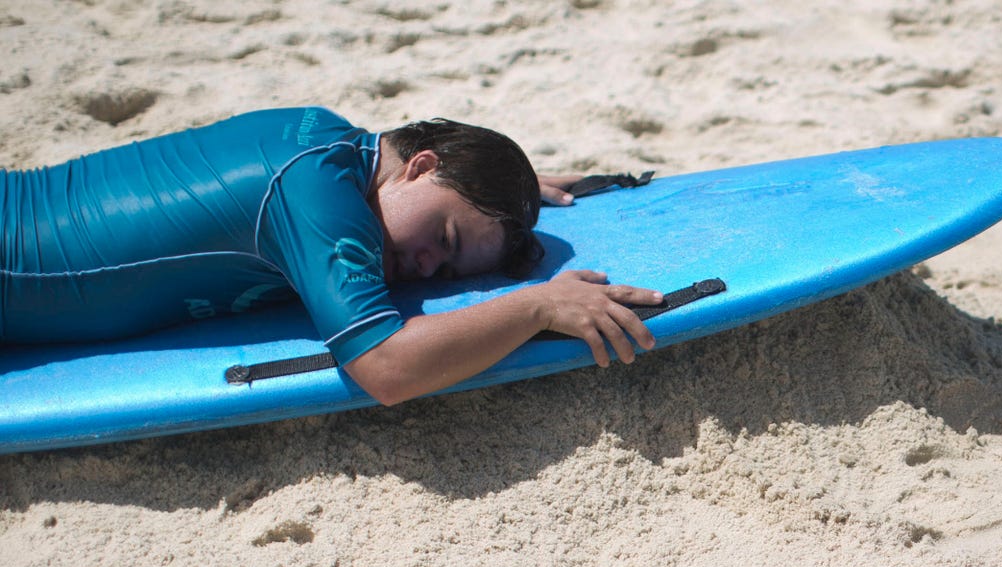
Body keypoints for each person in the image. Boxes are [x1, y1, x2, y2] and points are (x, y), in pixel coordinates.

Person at [0, 106, 658, 405]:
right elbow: (386, 370)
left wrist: (504, 193)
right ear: (420, 166)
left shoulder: (329, 142)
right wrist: (540, 302)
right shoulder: (322, 202)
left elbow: (443, 187)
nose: (428, 267)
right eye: (447, 239)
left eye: (451, 268)